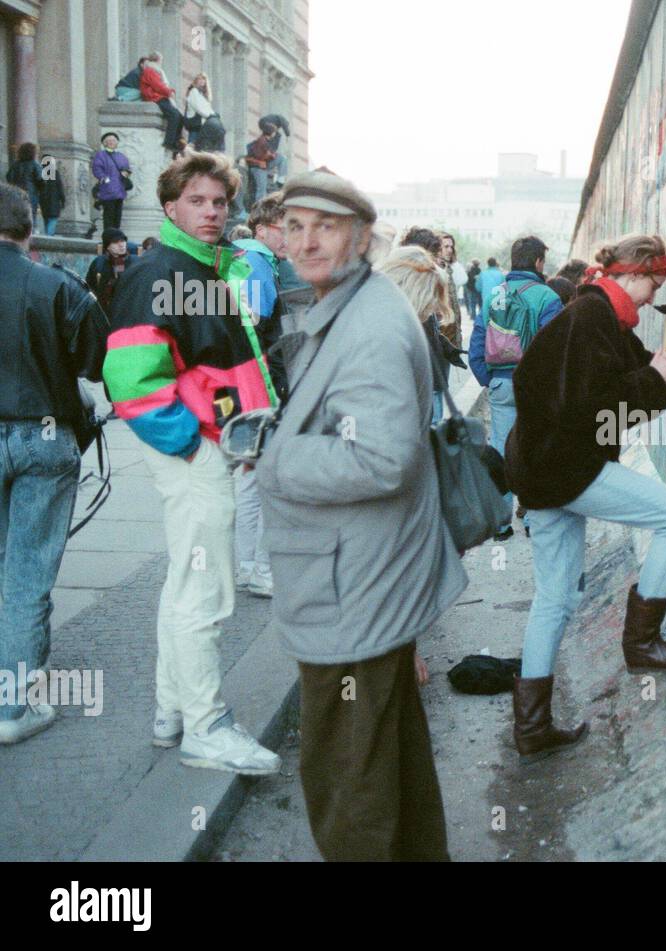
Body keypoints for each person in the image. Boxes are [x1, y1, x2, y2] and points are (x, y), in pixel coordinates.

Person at [256, 167, 468, 861]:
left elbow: (380, 459)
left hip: (353, 589)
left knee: (349, 785)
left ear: (363, 237)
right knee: (388, 760)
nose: (307, 241)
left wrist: (272, 454)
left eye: (327, 226)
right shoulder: (354, 305)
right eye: (295, 226)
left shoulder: (369, 324)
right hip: (359, 578)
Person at [101, 150, 281, 775]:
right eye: (197, 201)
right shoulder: (163, 270)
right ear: (171, 206)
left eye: (219, 202)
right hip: (194, 451)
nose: (211, 212)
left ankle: (174, 710)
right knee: (205, 589)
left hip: (204, 446)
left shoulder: (199, 268)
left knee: (188, 582)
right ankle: (206, 726)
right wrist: (193, 443)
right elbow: (131, 381)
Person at [503, 234, 666, 761]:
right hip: (565, 468)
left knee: (555, 598)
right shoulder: (590, 319)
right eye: (654, 285)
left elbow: (640, 390)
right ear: (634, 273)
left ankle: (532, 728)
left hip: (543, 471)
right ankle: (642, 643)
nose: (654, 296)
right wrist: (650, 377)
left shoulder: (604, 317)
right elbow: (592, 409)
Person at [0, 183, 109, 744]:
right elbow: (96, 359)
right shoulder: (57, 284)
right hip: (44, 435)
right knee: (27, 574)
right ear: (29, 228)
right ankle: (13, 705)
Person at [468, 235, 562, 541]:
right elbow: (554, 349)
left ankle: (500, 524)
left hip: (500, 383)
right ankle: (534, 519)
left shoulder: (494, 294)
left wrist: (489, 379)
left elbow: (477, 343)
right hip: (534, 387)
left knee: (500, 451)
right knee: (533, 450)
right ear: (538, 262)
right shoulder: (547, 297)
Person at [231, 192, 290, 598]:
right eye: (285, 229)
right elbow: (252, 333)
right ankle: (259, 569)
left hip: (251, 386)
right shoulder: (256, 264)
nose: (290, 238)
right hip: (259, 386)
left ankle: (248, 566)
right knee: (265, 480)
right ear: (263, 229)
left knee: (252, 477)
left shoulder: (251, 260)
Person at [377, 245, 464, 425]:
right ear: (413, 292)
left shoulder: (405, 329)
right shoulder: (378, 336)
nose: (433, 308)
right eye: (431, 298)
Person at [138, 53, 184, 153]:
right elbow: (158, 85)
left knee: (180, 116)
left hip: (159, 96)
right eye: (161, 60)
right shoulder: (150, 70)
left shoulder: (153, 70)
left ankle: (177, 141)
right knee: (174, 115)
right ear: (158, 60)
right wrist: (170, 92)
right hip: (154, 97)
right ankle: (169, 142)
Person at [84, 228, 134, 311]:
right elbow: (89, 287)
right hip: (103, 310)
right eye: (115, 242)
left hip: (128, 311)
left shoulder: (134, 262)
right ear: (107, 246)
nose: (121, 245)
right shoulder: (99, 263)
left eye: (123, 241)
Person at [91, 133, 131, 232]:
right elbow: (97, 169)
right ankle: (109, 237)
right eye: (109, 141)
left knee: (117, 217)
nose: (111, 142)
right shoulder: (101, 155)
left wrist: (126, 173)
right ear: (105, 143)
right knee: (108, 217)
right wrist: (105, 179)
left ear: (117, 142)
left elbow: (127, 168)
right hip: (108, 191)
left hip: (120, 190)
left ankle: (115, 236)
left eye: (113, 140)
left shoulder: (121, 156)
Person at [184, 73, 225, 154]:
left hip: (201, 126)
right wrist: (211, 115)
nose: (202, 81)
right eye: (200, 79)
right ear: (196, 81)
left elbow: (207, 108)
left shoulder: (201, 94)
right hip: (196, 125)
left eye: (204, 79)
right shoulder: (194, 92)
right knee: (192, 150)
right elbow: (199, 108)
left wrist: (213, 114)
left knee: (197, 150)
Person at [245, 120, 281, 205]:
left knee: (261, 190)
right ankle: (258, 208)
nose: (274, 134)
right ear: (271, 132)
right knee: (261, 190)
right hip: (258, 167)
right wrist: (271, 155)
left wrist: (271, 154)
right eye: (274, 132)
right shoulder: (262, 141)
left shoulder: (263, 140)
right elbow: (260, 156)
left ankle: (280, 177)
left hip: (259, 167)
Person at [5, 142, 41, 223]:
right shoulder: (34, 164)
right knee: (31, 215)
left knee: (17, 215)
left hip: (16, 193)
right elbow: (40, 179)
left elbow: (9, 177)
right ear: (33, 153)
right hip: (31, 194)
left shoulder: (15, 165)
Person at [36, 153, 65, 236]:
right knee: (53, 219)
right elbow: (60, 188)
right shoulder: (55, 173)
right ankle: (49, 237)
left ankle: (47, 235)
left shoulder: (40, 172)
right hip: (54, 201)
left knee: (46, 220)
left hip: (43, 201)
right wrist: (63, 200)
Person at [476, 256, 505, 321]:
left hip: (485, 300)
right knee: (497, 320)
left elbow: (478, 287)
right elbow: (504, 288)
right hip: (497, 301)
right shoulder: (501, 274)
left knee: (486, 319)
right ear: (495, 263)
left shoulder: (482, 274)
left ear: (488, 264)